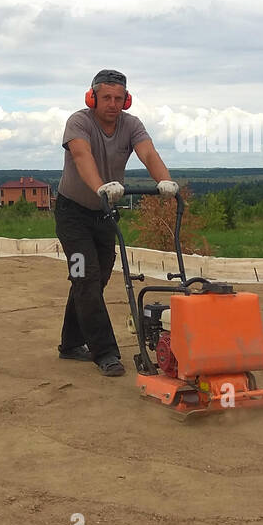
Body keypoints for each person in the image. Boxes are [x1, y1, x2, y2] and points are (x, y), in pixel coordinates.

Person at [55, 69, 177, 376]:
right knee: (85, 276)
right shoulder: (79, 122)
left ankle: (70, 344)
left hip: (105, 215)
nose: (112, 103)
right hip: (73, 214)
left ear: (127, 101)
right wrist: (100, 187)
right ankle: (105, 352)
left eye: (118, 98)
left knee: (94, 280)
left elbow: (148, 153)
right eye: (106, 97)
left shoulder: (131, 125)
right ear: (92, 97)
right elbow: (83, 157)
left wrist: (165, 182)